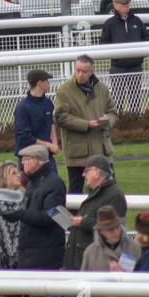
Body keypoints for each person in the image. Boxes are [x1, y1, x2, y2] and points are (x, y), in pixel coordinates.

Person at [3, 145, 67, 297]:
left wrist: (21, 215)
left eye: (25, 160)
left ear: (37, 161)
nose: (21, 164)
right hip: (29, 252)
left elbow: (51, 217)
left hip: (44, 254)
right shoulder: (33, 183)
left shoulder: (54, 184)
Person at [53, 54, 115, 194]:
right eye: (77, 70)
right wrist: (86, 124)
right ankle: (75, 217)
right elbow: (60, 117)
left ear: (91, 72)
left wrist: (107, 120)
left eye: (84, 71)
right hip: (78, 154)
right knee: (76, 194)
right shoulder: (64, 90)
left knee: (110, 190)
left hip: (102, 151)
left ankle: (108, 216)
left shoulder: (102, 89)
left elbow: (113, 112)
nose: (80, 74)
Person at [63, 155, 126, 271]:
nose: (83, 175)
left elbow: (113, 228)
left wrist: (82, 222)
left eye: (86, 171)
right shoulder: (96, 193)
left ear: (96, 172)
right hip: (80, 259)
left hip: (96, 263)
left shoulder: (114, 195)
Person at [80, 206, 141, 297]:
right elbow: (82, 288)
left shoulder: (134, 248)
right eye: (110, 230)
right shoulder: (90, 252)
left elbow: (141, 283)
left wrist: (124, 276)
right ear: (101, 231)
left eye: (117, 227)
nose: (116, 232)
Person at [100, 0, 149, 112]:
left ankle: (135, 122)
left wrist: (139, 56)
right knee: (117, 99)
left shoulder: (137, 21)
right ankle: (118, 124)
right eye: (123, 4)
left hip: (135, 65)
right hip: (118, 67)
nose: (126, 6)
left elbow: (146, 39)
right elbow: (103, 44)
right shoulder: (109, 24)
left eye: (127, 3)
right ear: (115, 5)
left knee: (135, 99)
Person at [14, 69, 60, 174]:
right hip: (29, 157)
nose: (49, 84)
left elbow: (51, 123)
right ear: (39, 83)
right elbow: (26, 137)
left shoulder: (48, 103)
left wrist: (55, 143)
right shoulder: (23, 107)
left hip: (47, 157)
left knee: (53, 185)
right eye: (47, 81)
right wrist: (49, 145)